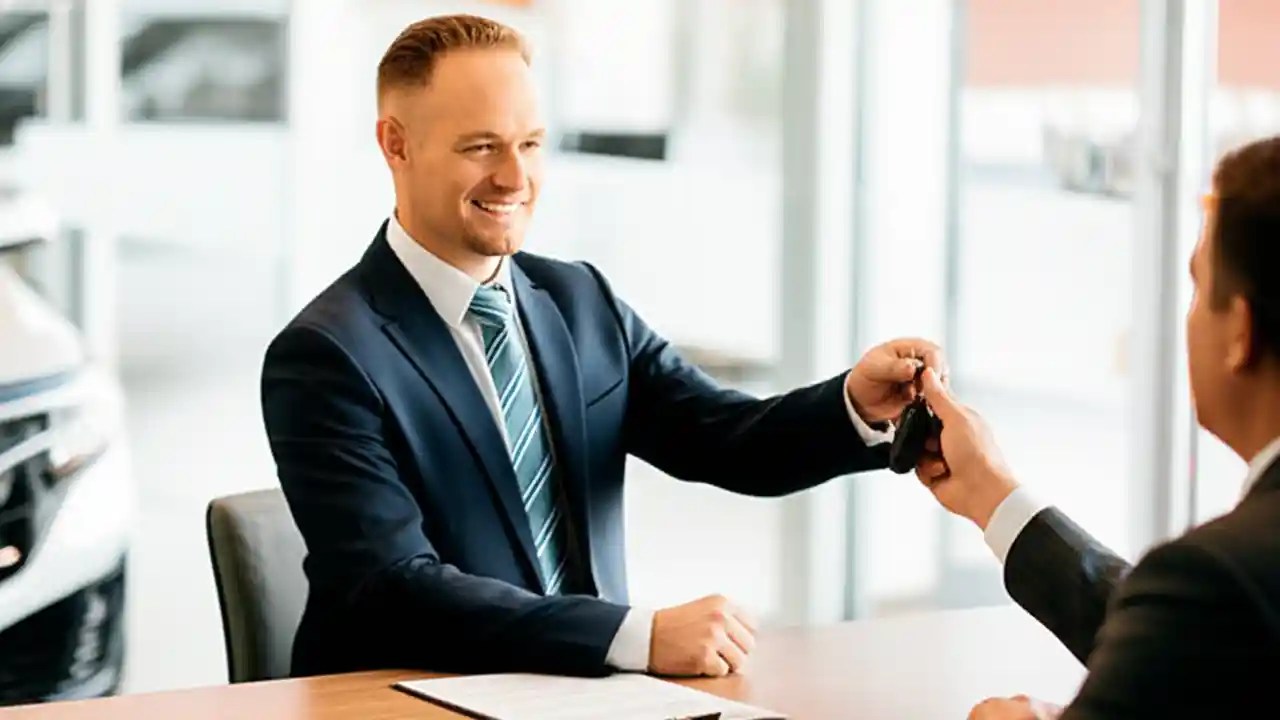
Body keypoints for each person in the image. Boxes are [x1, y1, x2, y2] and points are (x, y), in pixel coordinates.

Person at [260, 14, 946, 679]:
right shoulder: (326, 355)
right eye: (480, 147)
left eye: (530, 144)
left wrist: (854, 403)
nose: (513, 177)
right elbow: (395, 588)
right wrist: (638, 636)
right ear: (395, 144)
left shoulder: (580, 301)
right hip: (412, 701)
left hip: (588, 694)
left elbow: (724, 435)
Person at [914, 134, 1280, 719]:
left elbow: (1196, 626)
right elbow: (1186, 651)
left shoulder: (1218, 581)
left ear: (1241, 331)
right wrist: (992, 495)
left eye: (1197, 286)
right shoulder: (1214, 601)